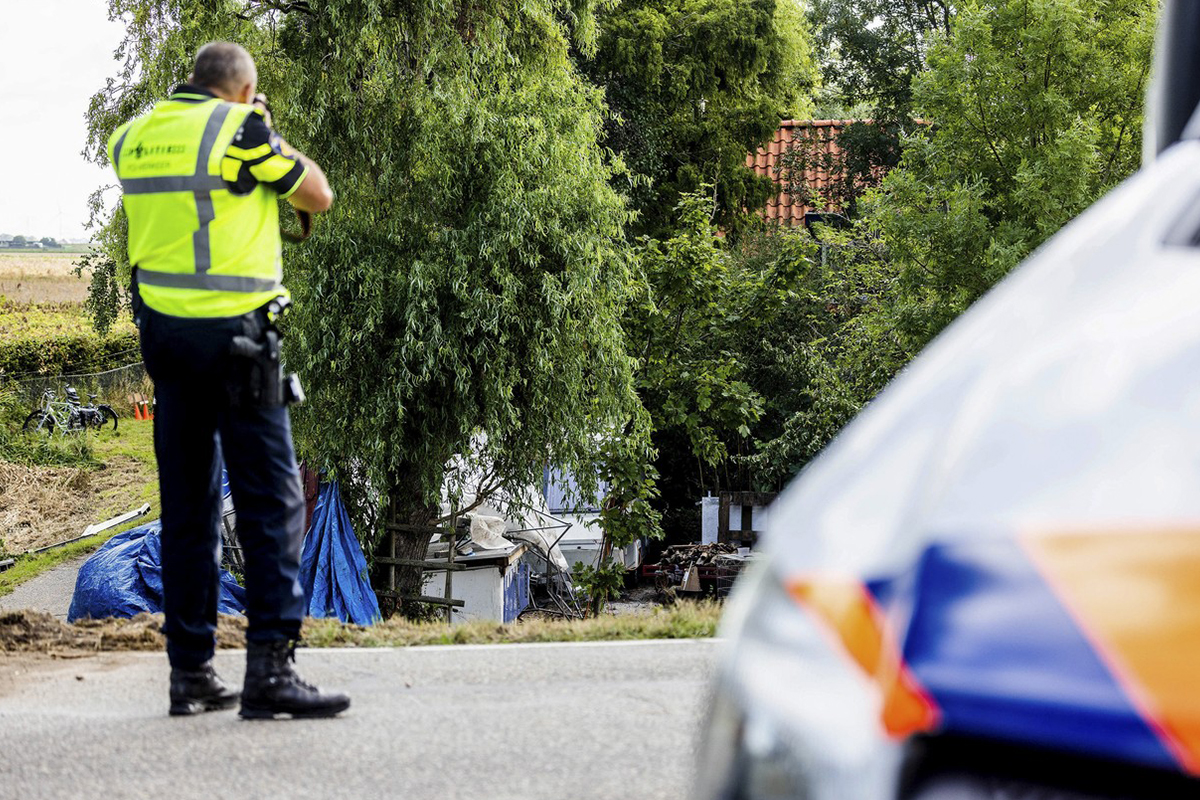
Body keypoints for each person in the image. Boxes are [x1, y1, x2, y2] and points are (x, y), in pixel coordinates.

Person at [108, 41, 349, 719]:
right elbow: (318, 194)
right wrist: (267, 131)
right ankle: (270, 671)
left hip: (166, 344)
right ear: (243, 90)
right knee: (272, 502)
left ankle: (190, 674)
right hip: (238, 342)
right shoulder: (242, 130)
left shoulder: (133, 137)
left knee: (188, 507)